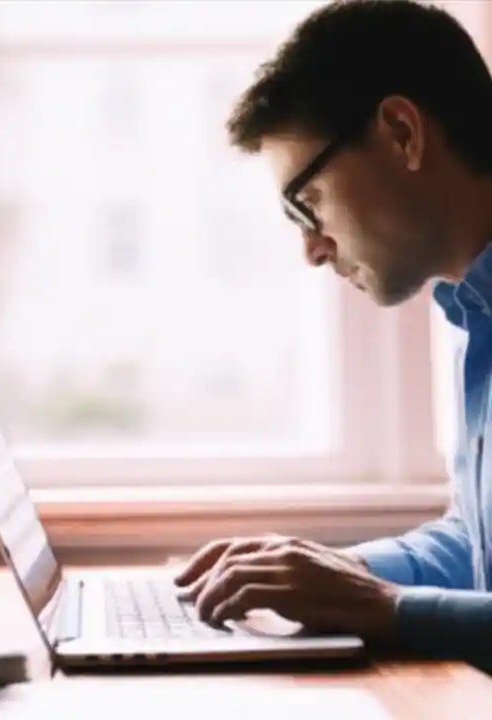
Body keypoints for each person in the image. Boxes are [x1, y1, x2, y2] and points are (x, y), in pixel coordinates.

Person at [174, 0, 492, 669]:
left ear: (403, 133)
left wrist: (385, 608)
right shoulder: (475, 315)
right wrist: (324, 571)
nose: (313, 250)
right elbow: (477, 545)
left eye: (307, 203)